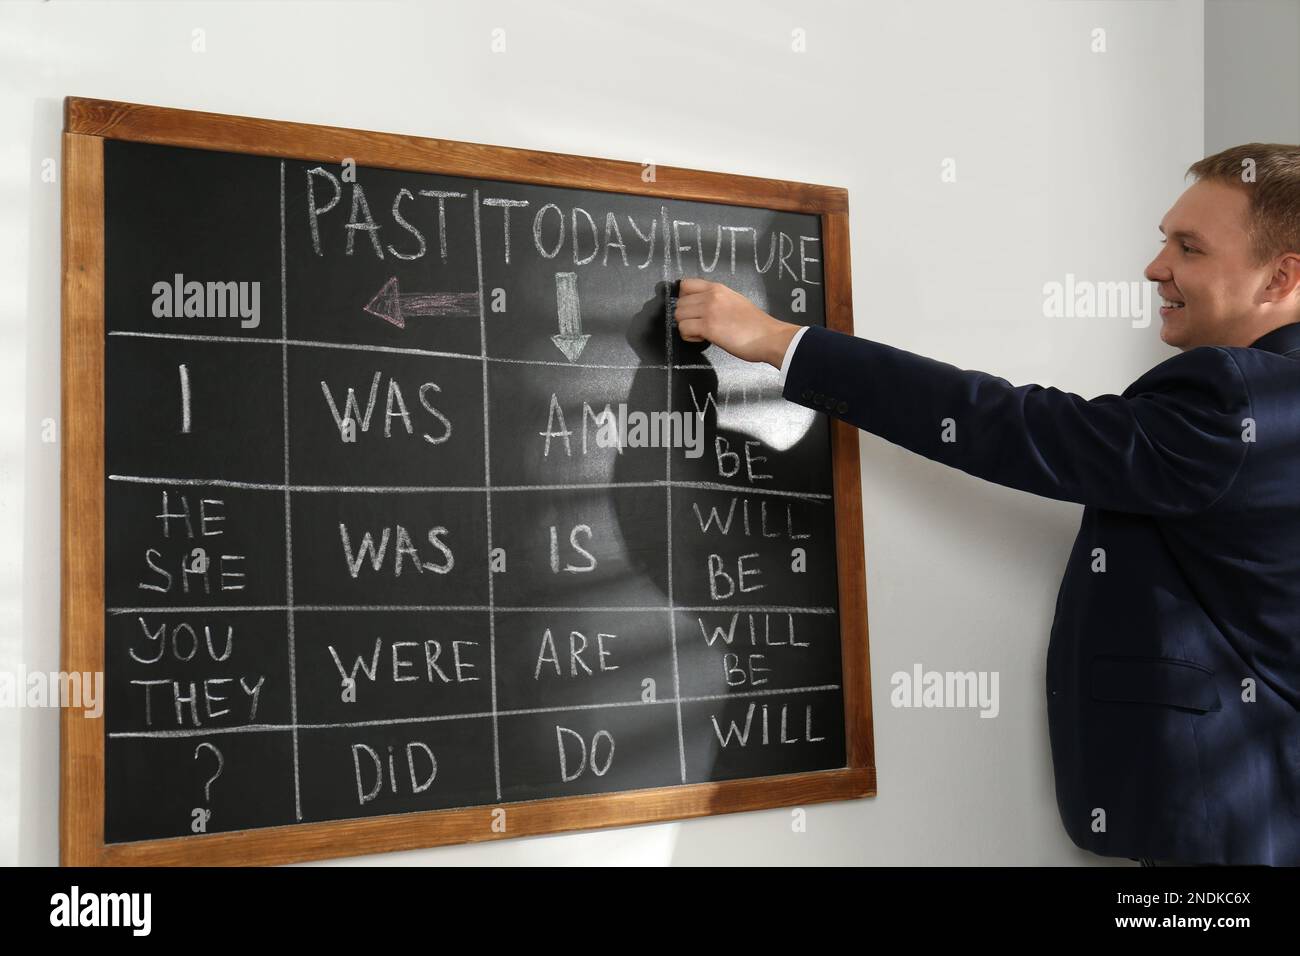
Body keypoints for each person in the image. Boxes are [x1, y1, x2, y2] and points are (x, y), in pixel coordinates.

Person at [673, 143, 1300, 867]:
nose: (1156, 267)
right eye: (1164, 241)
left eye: (1188, 248)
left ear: (1280, 275)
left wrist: (782, 343)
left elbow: (1014, 426)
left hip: (1235, 831)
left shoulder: (1236, 400)